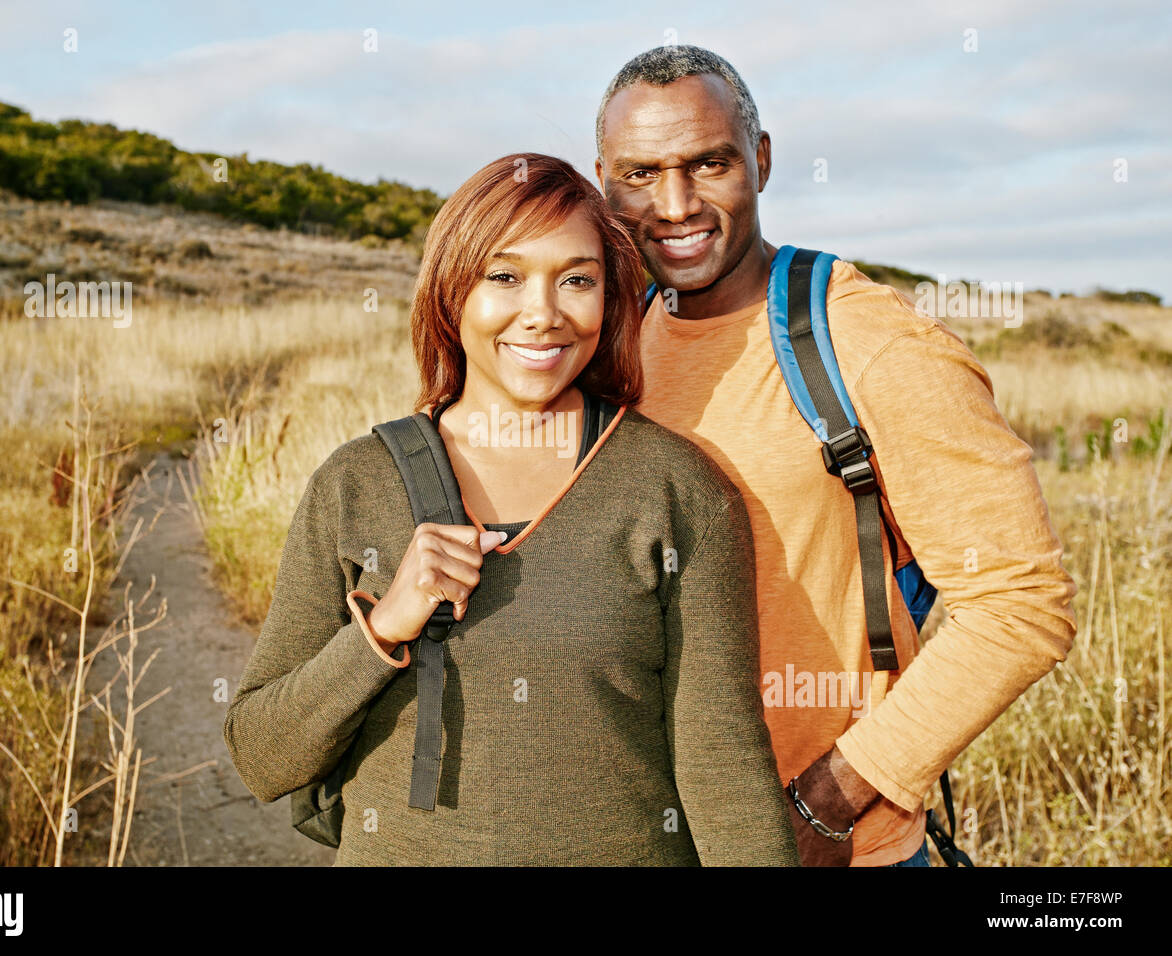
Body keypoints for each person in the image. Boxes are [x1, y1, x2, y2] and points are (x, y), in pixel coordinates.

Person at [223, 152, 799, 866]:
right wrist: (381, 631)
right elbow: (262, 756)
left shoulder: (678, 493)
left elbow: (727, 776)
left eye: (578, 280)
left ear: (612, 299)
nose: (543, 315)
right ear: (451, 290)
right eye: (505, 277)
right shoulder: (354, 484)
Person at [594, 45, 1078, 866]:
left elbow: (1022, 605)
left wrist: (830, 802)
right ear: (602, 178)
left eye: (709, 164)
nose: (674, 205)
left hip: (832, 847)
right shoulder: (609, 332)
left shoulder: (865, 339)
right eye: (640, 175)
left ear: (763, 159)